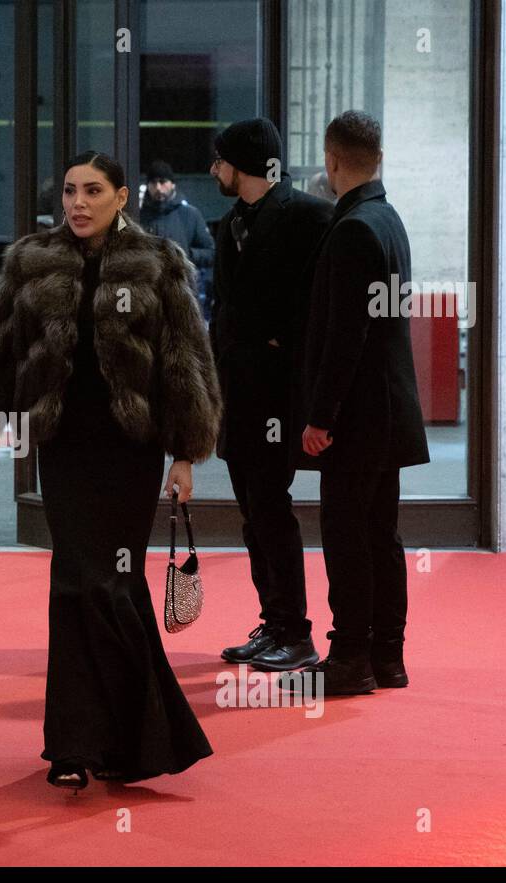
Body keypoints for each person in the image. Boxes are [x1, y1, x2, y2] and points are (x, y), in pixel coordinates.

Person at [0, 150, 221, 789]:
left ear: (122, 197)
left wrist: (185, 453)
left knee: (114, 583)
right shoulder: (29, 263)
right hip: (65, 452)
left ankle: (133, 737)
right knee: (74, 582)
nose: (77, 202)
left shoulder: (158, 265)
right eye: (69, 190)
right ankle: (74, 746)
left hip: (130, 453)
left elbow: (186, 363)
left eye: (93, 190)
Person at [297, 110, 429, 695]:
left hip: (356, 417)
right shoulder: (389, 219)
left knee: (348, 536)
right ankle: (387, 657)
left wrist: (321, 417)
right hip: (390, 410)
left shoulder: (352, 228)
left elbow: (345, 337)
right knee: (382, 535)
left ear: (331, 161)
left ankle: (349, 657)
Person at [207, 118, 333, 672]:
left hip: (279, 397)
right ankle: (276, 622)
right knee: (254, 513)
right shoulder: (233, 221)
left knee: (271, 511)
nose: (213, 170)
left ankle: (296, 633)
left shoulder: (308, 215)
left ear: (241, 163)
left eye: (219, 160)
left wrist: (289, 339)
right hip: (239, 393)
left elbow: (326, 301)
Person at [139, 159, 215, 287]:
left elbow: (211, 253)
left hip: (181, 291)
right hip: (148, 293)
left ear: (172, 184)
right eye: (153, 182)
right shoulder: (138, 215)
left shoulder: (190, 215)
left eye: (162, 182)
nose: (158, 187)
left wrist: (187, 255)